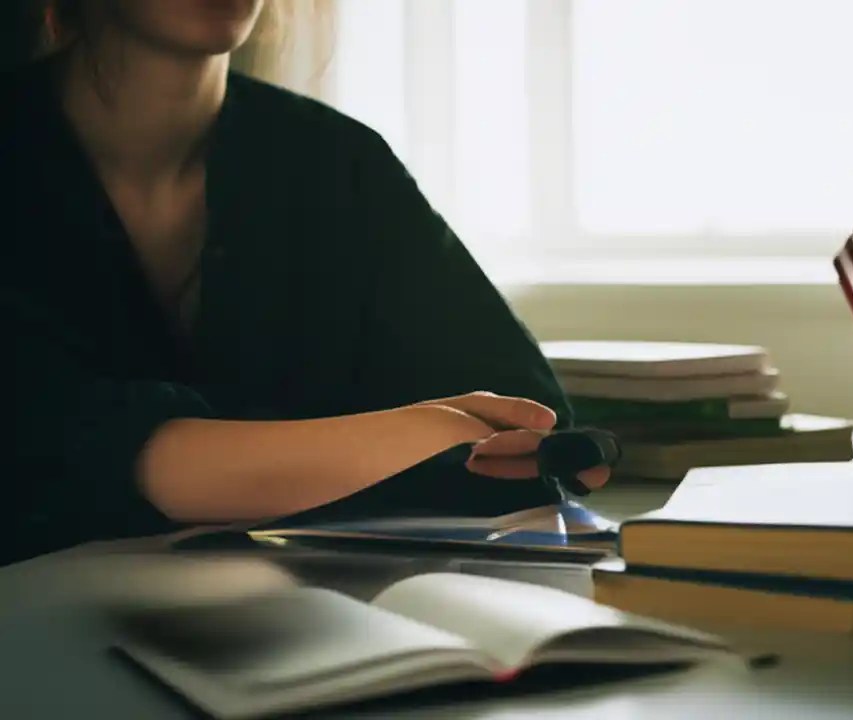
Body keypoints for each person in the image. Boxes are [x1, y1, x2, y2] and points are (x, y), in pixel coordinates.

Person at [1, 0, 610, 565]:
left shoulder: (337, 164)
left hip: (324, 620)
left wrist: (479, 440)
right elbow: (51, 453)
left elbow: (529, 429)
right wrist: (423, 431)